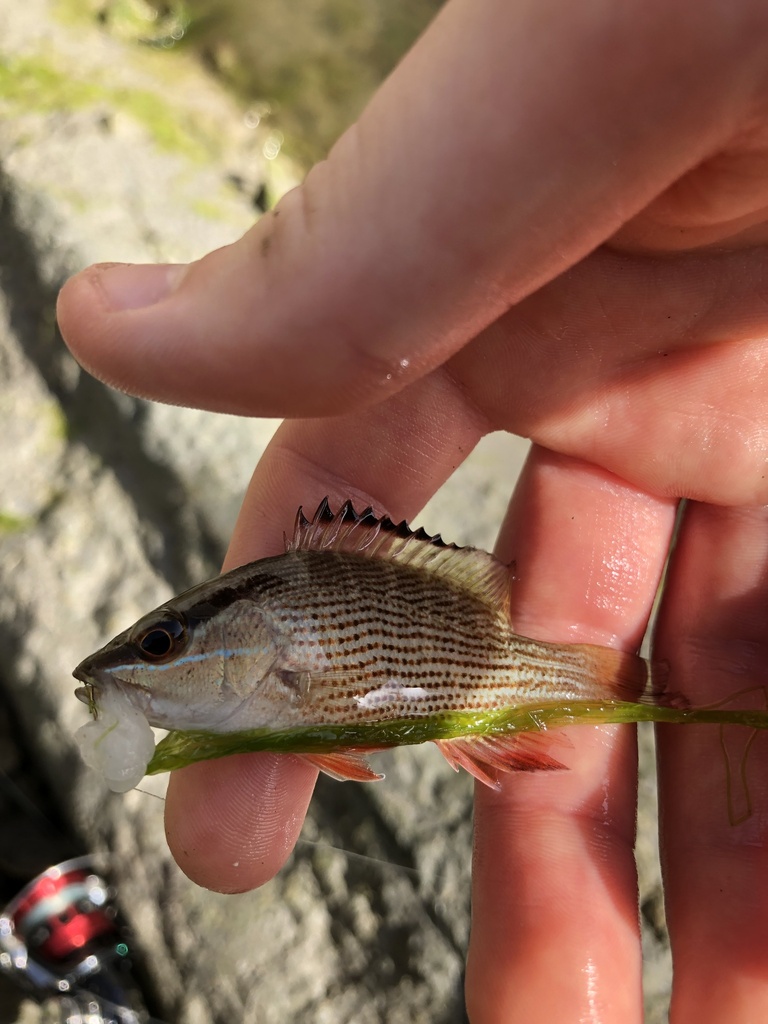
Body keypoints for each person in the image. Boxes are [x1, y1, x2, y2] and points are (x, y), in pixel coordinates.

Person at [57, 2, 768, 1020]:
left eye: (164, 643)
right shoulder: (271, 661)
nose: (137, 664)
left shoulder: (281, 642)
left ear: (239, 634)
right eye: (154, 643)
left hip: (473, 649)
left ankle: (598, 686)